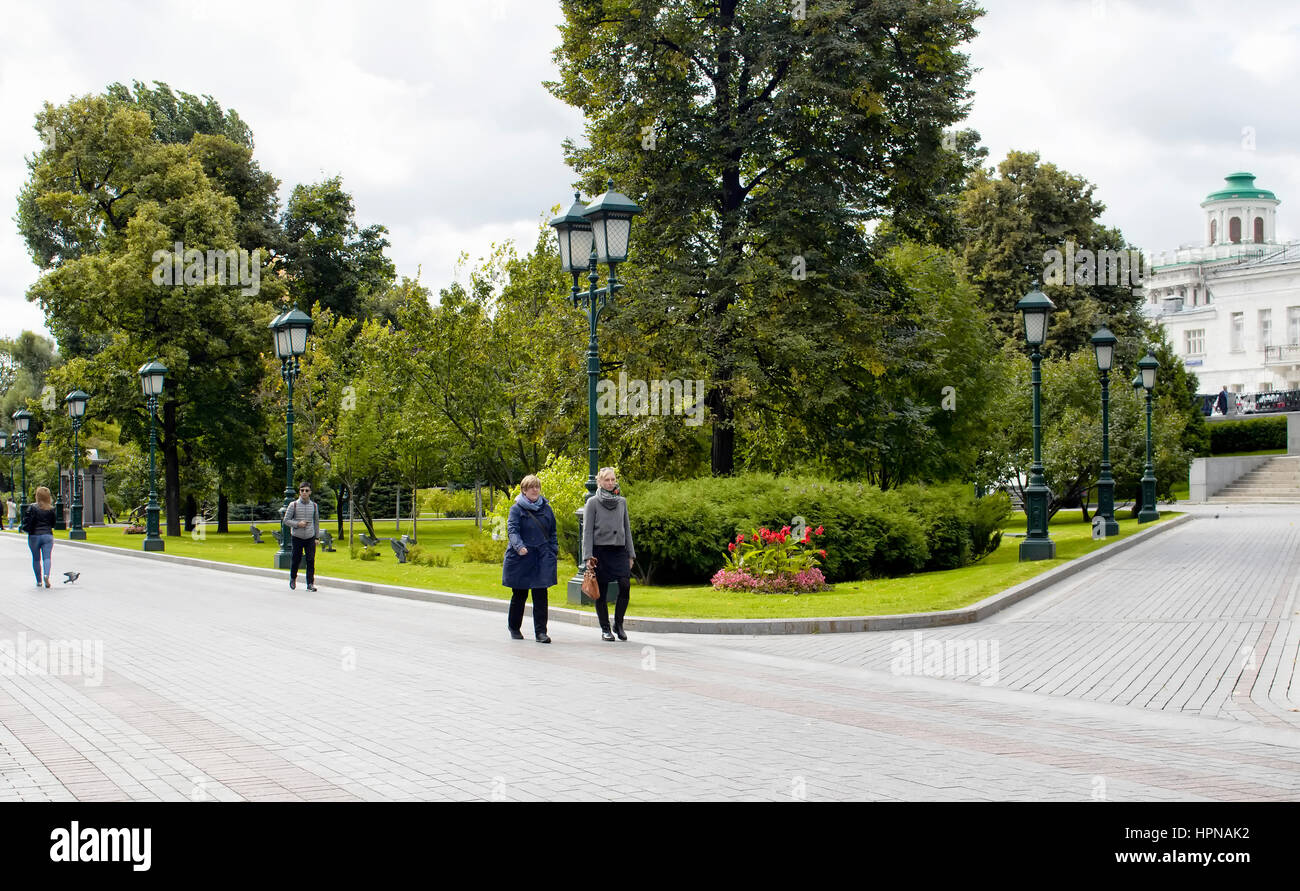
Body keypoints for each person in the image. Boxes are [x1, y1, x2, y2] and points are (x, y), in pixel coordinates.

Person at [581, 467, 635, 642]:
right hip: (600, 552)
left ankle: (618, 624)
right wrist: (588, 556)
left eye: (613, 479)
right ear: (599, 482)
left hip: (619, 550)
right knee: (601, 591)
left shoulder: (622, 502)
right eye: (607, 480)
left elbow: (627, 529)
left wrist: (631, 555)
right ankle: (605, 629)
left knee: (625, 585)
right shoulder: (593, 502)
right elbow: (587, 531)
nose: (611, 483)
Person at [501, 475, 557, 643]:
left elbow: (553, 531)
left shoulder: (546, 509)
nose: (535, 490)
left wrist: (553, 549)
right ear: (524, 490)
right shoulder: (516, 509)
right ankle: (514, 627)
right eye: (531, 487)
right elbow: (512, 530)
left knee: (541, 594)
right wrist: (519, 547)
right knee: (520, 594)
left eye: (537, 487)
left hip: (542, 557)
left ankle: (541, 632)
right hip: (522, 558)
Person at [284, 482, 319, 592]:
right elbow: (286, 520)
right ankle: (293, 578)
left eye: (306, 490)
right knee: (296, 559)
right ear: (299, 492)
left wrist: (317, 537)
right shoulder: (293, 505)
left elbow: (316, 522)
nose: (304, 492)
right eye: (302, 490)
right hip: (297, 537)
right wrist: (298, 524)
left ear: (310, 492)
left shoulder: (314, 505)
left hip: (310, 537)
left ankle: (310, 583)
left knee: (310, 560)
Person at [25, 486, 57, 588]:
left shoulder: (32, 507)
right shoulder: (51, 509)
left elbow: (27, 521)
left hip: (34, 535)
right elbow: (53, 523)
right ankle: (46, 575)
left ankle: (39, 581)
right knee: (47, 557)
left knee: (36, 559)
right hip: (47, 535)